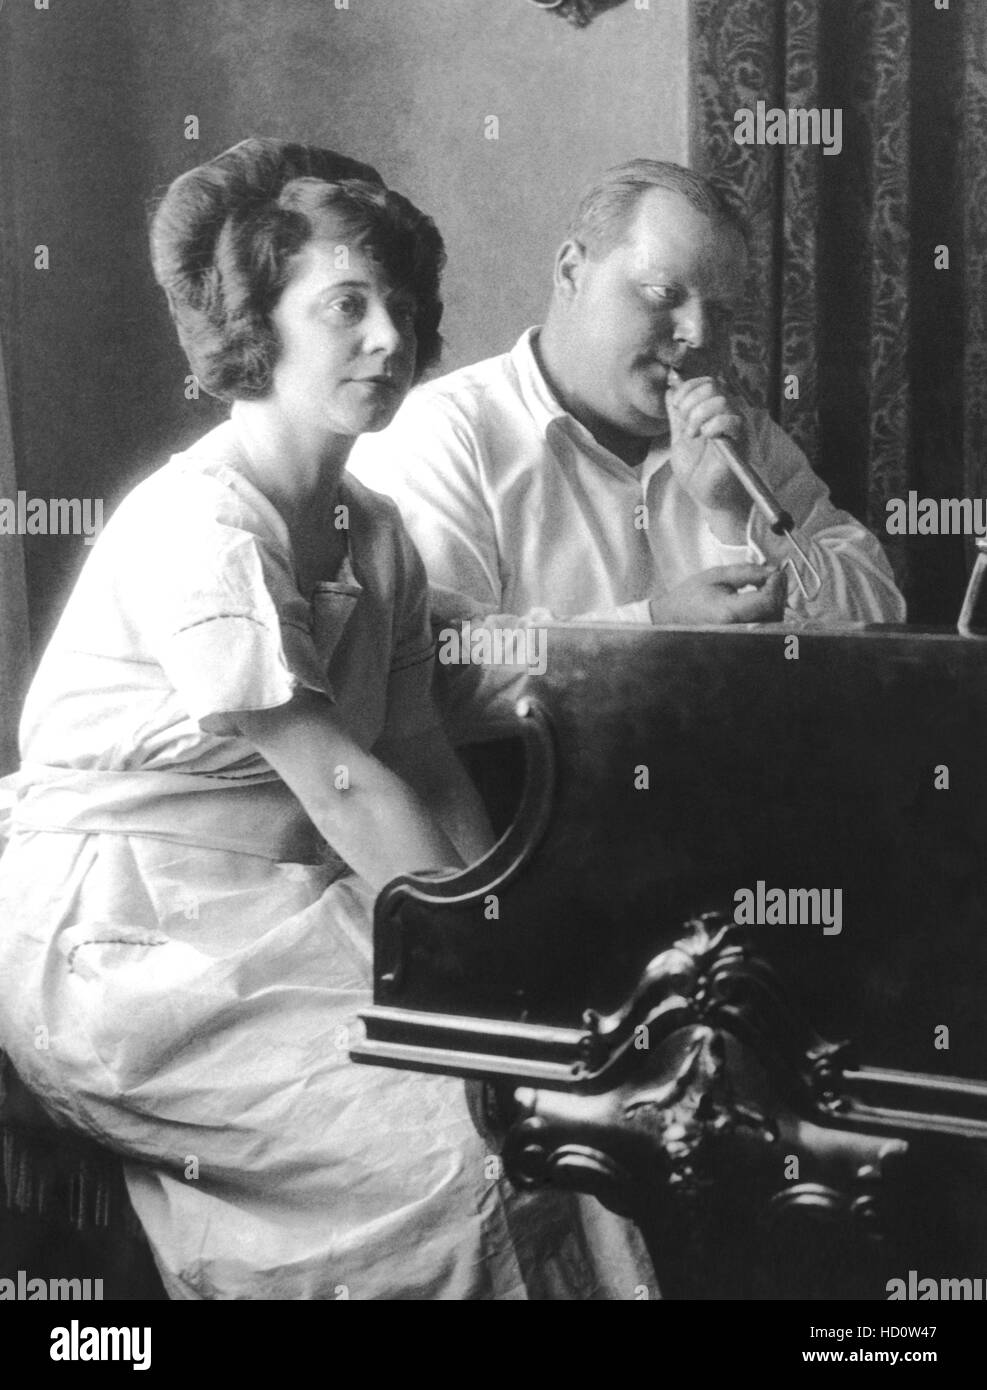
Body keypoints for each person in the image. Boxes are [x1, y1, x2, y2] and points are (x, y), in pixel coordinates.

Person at [0, 139, 648, 1300]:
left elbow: (419, 760)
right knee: (458, 1150)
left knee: (557, 1107)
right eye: (345, 305)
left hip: (283, 910)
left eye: (398, 304)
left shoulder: (374, 531)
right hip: (125, 941)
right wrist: (482, 970)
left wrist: (504, 948)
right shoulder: (201, 530)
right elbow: (344, 785)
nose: (390, 338)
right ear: (257, 320)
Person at [349, 160, 906, 733]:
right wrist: (654, 629)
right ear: (571, 272)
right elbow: (434, 673)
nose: (699, 334)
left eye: (720, 312)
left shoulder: (744, 436)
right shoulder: (441, 433)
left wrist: (738, 518)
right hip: (539, 810)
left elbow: (879, 623)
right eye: (665, 293)